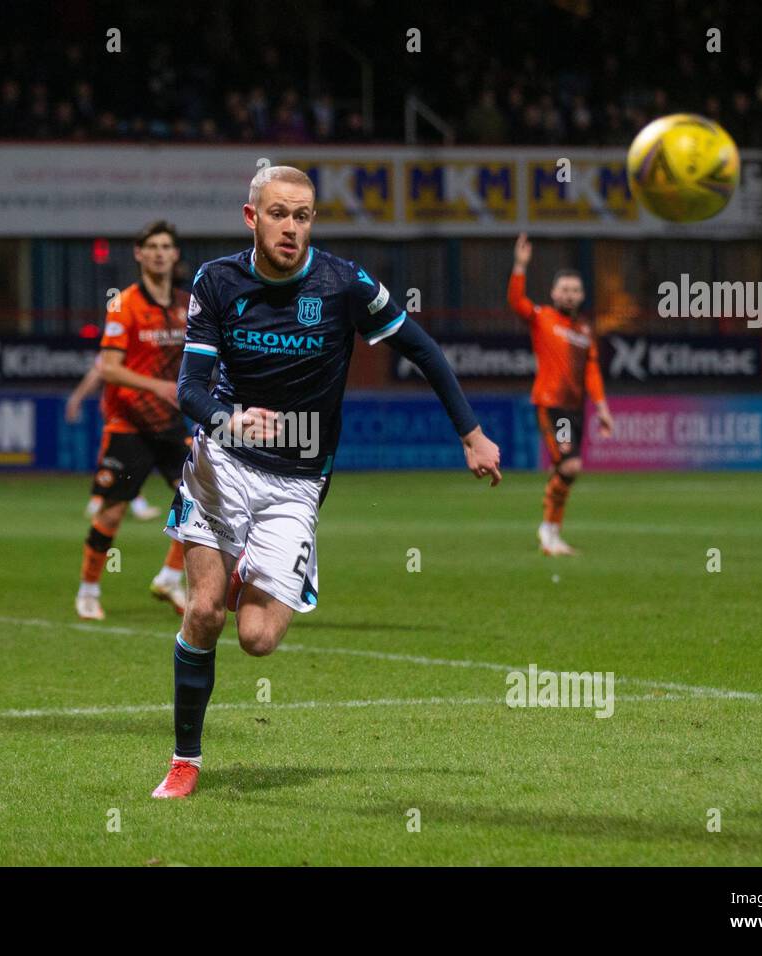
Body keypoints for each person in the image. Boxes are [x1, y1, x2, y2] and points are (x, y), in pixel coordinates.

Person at [151, 166, 502, 798]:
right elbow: (189, 391)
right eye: (279, 214)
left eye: (304, 215)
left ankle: (250, 563)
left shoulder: (345, 284)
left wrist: (470, 433)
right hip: (222, 465)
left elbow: (422, 349)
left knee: (257, 640)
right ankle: (185, 760)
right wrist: (231, 421)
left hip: (298, 481)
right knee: (203, 612)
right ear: (251, 217)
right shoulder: (217, 280)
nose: (292, 227)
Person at [75, 221, 191, 621]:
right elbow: (109, 367)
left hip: (172, 425)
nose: (159, 253)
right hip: (129, 425)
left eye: (166, 246)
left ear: (175, 255)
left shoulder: (186, 304)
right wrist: (158, 387)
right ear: (139, 255)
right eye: (151, 247)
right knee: (112, 512)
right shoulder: (123, 304)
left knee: (200, 501)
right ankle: (88, 590)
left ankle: (171, 577)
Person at [508, 233, 613, 556]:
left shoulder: (585, 331)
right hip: (551, 404)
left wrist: (603, 408)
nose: (569, 294)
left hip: (575, 408)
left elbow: (592, 373)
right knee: (569, 467)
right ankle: (548, 531)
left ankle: (551, 535)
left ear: (581, 295)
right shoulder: (542, 318)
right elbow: (516, 302)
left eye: (575, 290)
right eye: (564, 289)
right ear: (554, 292)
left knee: (568, 470)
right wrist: (520, 266)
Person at [64, 360, 162, 522]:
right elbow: (96, 373)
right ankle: (101, 498)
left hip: (134, 413)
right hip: (120, 414)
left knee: (128, 459)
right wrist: (77, 398)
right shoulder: (118, 349)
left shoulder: (136, 351)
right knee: (117, 457)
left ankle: (122, 501)